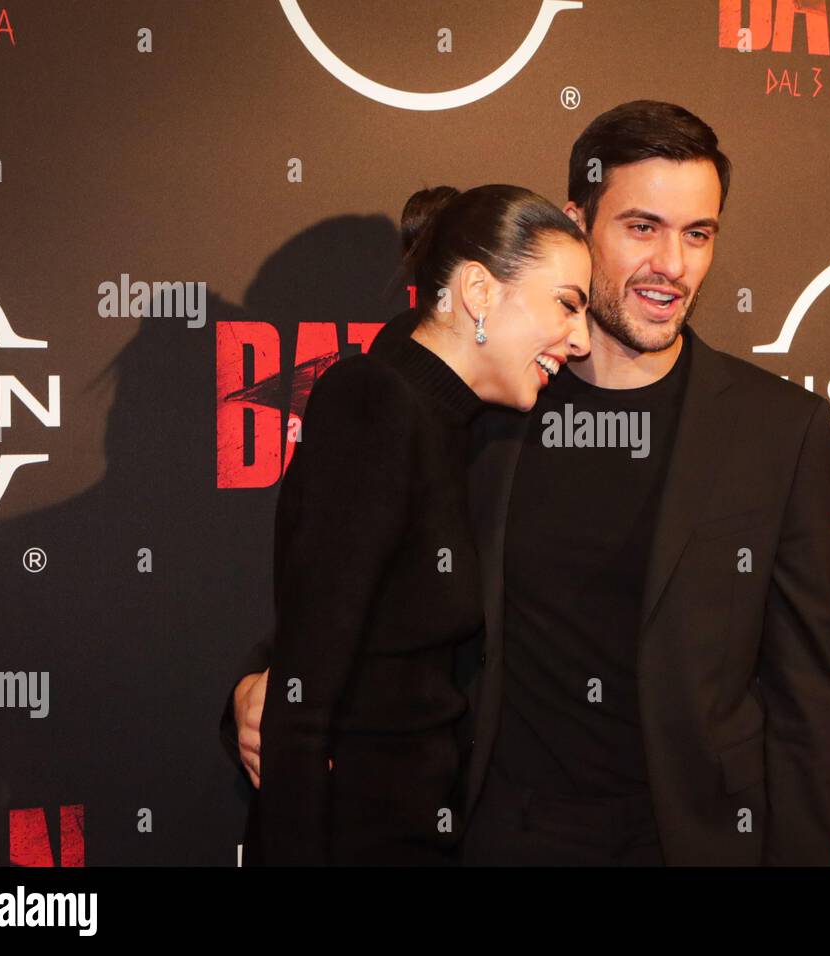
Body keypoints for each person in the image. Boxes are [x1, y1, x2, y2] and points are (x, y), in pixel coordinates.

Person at [224, 100, 830, 866]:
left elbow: (805, 698)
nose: (674, 266)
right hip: (500, 836)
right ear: (579, 223)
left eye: (699, 234)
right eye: (643, 227)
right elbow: (357, 582)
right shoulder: (487, 403)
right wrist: (260, 684)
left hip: (697, 842)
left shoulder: (780, 429)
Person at [246, 184, 590, 865]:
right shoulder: (374, 402)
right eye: (566, 305)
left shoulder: (450, 421)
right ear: (479, 293)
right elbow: (307, 688)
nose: (579, 340)